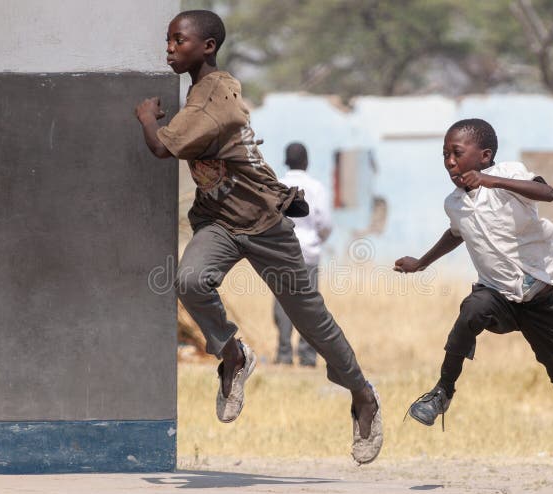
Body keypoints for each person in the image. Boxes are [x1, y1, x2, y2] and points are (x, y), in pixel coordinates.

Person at [134, 10, 382, 464]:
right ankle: (233, 356)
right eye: (167, 40)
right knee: (190, 281)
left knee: (312, 323)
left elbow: (160, 146)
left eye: (179, 40)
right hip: (221, 222)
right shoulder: (199, 92)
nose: (169, 48)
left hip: (265, 223)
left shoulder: (216, 99)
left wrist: (147, 118)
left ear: (207, 46)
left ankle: (363, 395)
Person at [394, 118, 553, 494]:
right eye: (444, 155)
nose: (449, 162)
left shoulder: (507, 176)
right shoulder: (454, 203)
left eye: (456, 154)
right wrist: (422, 262)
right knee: (471, 310)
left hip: (538, 301)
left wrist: (491, 181)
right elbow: (456, 233)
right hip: (497, 298)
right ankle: (442, 392)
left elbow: (548, 193)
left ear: (484, 156)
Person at [273, 142, 332, 367]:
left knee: (283, 304)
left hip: (280, 254)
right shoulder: (316, 188)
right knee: (308, 305)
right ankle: (307, 357)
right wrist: (318, 239)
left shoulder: (277, 184)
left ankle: (284, 354)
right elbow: (325, 223)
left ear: (286, 161)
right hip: (308, 253)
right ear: (307, 162)